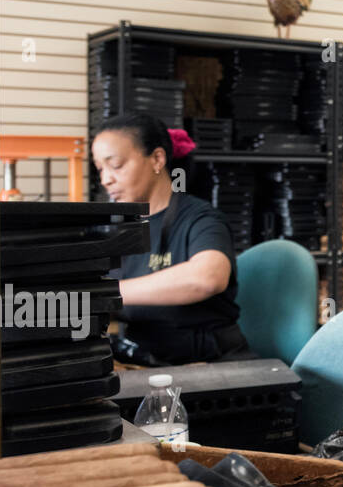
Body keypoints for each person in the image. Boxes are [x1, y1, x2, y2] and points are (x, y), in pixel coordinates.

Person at [92, 113, 249, 365]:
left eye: (117, 165)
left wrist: (107, 292)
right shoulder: (121, 231)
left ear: (157, 159)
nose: (105, 179)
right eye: (100, 168)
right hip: (145, 363)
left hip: (208, 364)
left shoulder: (200, 218)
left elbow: (207, 278)